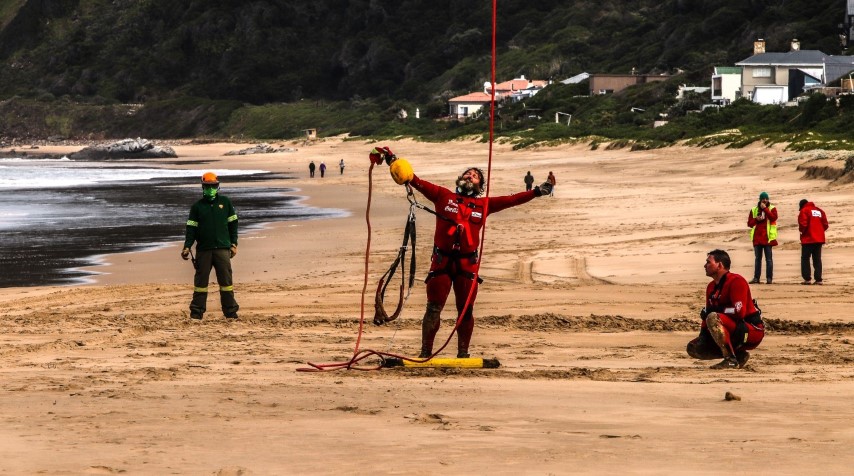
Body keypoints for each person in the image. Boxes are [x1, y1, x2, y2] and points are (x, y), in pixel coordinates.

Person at [370, 146, 552, 358]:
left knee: (465, 312)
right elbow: (413, 180)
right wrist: (393, 159)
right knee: (433, 308)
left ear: (480, 186)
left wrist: (537, 191)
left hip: (467, 265)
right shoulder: (442, 196)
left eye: (475, 176)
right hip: (441, 263)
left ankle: (463, 354)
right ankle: (425, 353)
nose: (470, 175)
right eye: (468, 173)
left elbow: (512, 200)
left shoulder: (485, 205)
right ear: (460, 178)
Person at [686, 249, 765, 369]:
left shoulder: (736, 281)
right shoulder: (711, 287)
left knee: (713, 317)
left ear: (720, 265)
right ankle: (738, 355)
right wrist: (703, 336)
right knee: (694, 348)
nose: (705, 265)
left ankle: (731, 360)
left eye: (708, 262)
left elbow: (739, 313)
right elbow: (707, 314)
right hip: (730, 329)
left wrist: (717, 310)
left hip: (751, 331)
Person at [181, 172, 240, 320]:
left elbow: (233, 225)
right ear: (203, 187)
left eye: (213, 186)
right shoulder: (197, 207)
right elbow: (191, 229)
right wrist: (187, 246)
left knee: (226, 283)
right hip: (203, 251)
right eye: (208, 186)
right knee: (200, 283)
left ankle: (230, 312)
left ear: (218, 186)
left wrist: (234, 244)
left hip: (223, 249)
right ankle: (196, 312)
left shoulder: (226, 203)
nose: (210, 189)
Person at [747, 191, 778, 284]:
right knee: (757, 259)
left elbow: (773, 218)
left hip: (768, 238)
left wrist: (765, 209)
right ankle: (756, 278)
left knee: (769, 259)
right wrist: (756, 219)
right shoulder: (754, 209)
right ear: (760, 200)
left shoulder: (772, 208)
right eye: (763, 199)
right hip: (757, 238)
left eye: (766, 199)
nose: (765, 200)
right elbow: (749, 224)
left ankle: (769, 278)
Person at [798, 198, 829, 285]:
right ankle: (818, 279)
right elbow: (825, 225)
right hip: (819, 239)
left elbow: (803, 224)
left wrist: (802, 232)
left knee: (805, 258)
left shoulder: (804, 211)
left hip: (808, 239)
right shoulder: (819, 211)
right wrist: (819, 231)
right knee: (817, 259)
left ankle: (807, 279)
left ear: (801, 206)